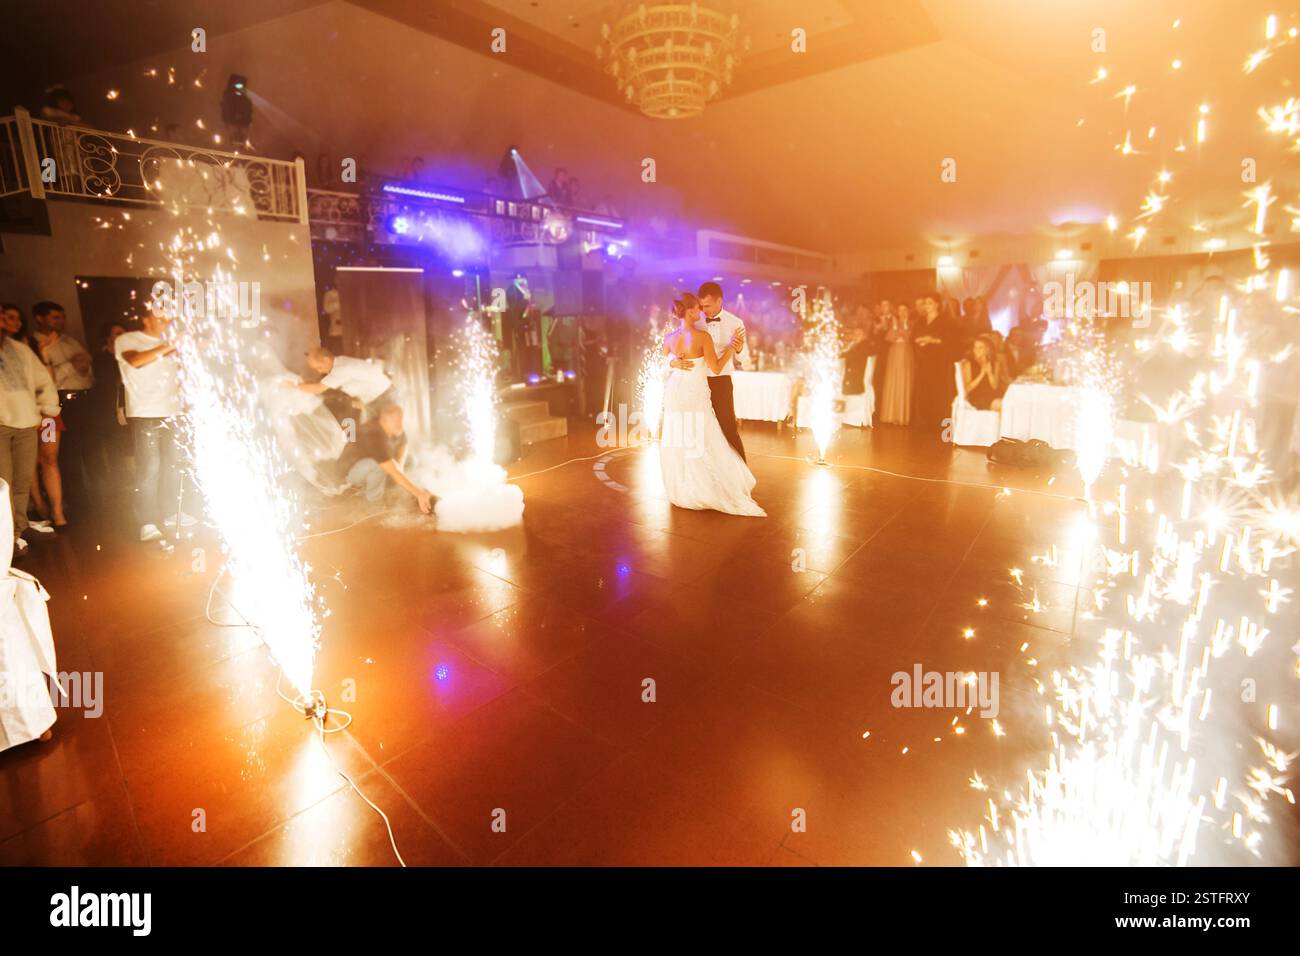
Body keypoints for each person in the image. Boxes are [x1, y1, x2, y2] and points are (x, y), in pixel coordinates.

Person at [659, 295, 764, 517]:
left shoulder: (669, 337)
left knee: (679, 437)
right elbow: (715, 368)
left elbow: (661, 365)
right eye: (698, 308)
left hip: (675, 392)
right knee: (702, 436)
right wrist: (731, 349)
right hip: (694, 392)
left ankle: (683, 487)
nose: (701, 312)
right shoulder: (702, 336)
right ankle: (709, 485)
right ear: (690, 312)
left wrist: (672, 363)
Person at [115, 310, 184, 542]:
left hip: (173, 412)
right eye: (161, 316)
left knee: (174, 465)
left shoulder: (170, 342)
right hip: (146, 413)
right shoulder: (127, 339)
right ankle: (147, 521)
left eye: (169, 318)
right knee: (149, 468)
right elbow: (136, 361)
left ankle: (172, 512)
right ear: (146, 318)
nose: (167, 321)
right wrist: (172, 344)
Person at [0, 314, 60, 557]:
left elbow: (41, 380)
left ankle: (18, 531)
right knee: (4, 483)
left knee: (22, 481)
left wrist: (47, 409)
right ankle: (6, 537)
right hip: (1, 424)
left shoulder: (19, 349)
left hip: (26, 423)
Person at [31, 301, 93, 523]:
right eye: (55, 317)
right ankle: (40, 507)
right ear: (39, 318)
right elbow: (48, 379)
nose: (60, 322)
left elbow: (85, 367)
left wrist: (79, 366)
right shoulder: (30, 343)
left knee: (56, 456)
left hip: (54, 411)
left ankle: (63, 508)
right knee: (34, 459)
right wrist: (69, 366)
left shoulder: (70, 341)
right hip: (36, 409)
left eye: (62, 317)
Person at [683, 280, 748, 461]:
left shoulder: (736, 323)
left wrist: (739, 348)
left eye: (708, 306)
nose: (704, 311)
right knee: (700, 429)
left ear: (720, 301)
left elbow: (744, 360)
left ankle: (741, 474)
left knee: (728, 427)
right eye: (701, 306)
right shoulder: (696, 321)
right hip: (698, 381)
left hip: (722, 381)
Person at [338, 404, 433, 514]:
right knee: (379, 466)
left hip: (372, 466)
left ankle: (388, 489)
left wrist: (400, 470)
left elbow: (404, 445)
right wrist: (419, 493)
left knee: (411, 460)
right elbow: (393, 470)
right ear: (384, 420)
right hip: (349, 473)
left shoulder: (396, 428)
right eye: (397, 422)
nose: (401, 425)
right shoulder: (372, 435)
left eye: (401, 421)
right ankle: (373, 502)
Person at [291, 346, 393, 421]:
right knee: (352, 420)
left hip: (382, 398)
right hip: (378, 396)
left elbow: (318, 388)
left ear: (326, 360)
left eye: (319, 367)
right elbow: (322, 384)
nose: (319, 372)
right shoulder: (340, 362)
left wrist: (294, 386)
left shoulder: (340, 369)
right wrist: (305, 384)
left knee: (358, 428)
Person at [911, 291, 958, 437]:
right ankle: (924, 425)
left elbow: (950, 341)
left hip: (939, 363)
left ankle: (941, 427)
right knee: (923, 392)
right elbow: (913, 337)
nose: (927, 306)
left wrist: (932, 340)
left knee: (939, 394)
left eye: (930, 303)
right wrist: (920, 341)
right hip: (923, 361)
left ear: (937, 304)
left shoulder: (945, 321)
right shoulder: (920, 320)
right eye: (925, 303)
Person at [879, 304, 915, 425]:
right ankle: (890, 415)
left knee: (904, 381)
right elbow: (889, 338)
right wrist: (895, 328)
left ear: (908, 311)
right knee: (893, 381)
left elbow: (909, 337)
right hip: (894, 354)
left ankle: (903, 417)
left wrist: (903, 329)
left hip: (906, 353)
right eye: (900, 310)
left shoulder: (912, 323)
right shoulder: (893, 323)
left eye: (904, 310)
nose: (902, 312)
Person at [961, 335, 1010, 411]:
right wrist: (982, 373)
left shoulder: (995, 363)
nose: (976, 350)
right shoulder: (968, 364)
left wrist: (990, 373)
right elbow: (966, 389)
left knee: (1010, 403)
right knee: (1002, 405)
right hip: (977, 397)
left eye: (980, 347)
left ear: (987, 349)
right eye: (975, 347)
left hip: (993, 395)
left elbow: (995, 387)